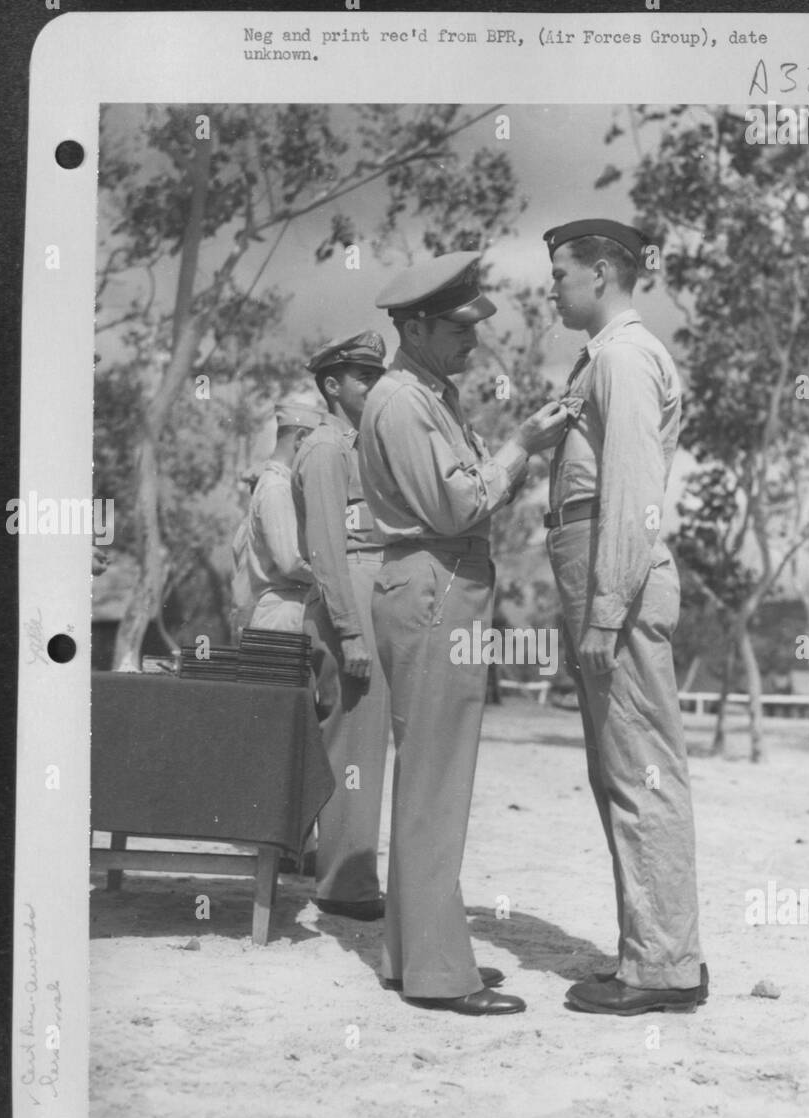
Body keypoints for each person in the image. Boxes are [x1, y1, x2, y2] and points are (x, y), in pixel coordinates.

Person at [360, 250, 568, 1016]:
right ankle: (440, 973)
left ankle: (412, 955)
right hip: (435, 581)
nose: (473, 340)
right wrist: (520, 448)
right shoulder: (403, 400)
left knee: (428, 774)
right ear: (414, 326)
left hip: (438, 582)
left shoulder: (428, 394)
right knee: (437, 781)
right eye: (457, 327)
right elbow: (457, 506)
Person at [541, 218, 707, 1016]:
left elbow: (634, 494)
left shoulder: (624, 357)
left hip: (619, 577)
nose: (552, 287)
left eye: (561, 273)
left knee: (642, 772)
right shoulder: (604, 357)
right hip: (599, 569)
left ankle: (665, 968)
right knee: (621, 772)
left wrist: (606, 610)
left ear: (602, 273)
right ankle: (651, 951)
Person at [291, 332, 391, 920]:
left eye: (377, 376)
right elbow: (327, 548)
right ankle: (345, 886)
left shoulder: (358, 445)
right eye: (363, 378)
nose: (374, 386)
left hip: (365, 586)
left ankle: (348, 877)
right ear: (331, 385)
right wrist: (351, 631)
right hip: (345, 594)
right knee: (352, 744)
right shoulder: (326, 448)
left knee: (364, 745)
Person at [232, 404, 327, 636]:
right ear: (301, 438)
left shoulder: (284, 486)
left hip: (292, 608)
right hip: (284, 614)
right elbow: (290, 563)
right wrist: (333, 577)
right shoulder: (277, 488)